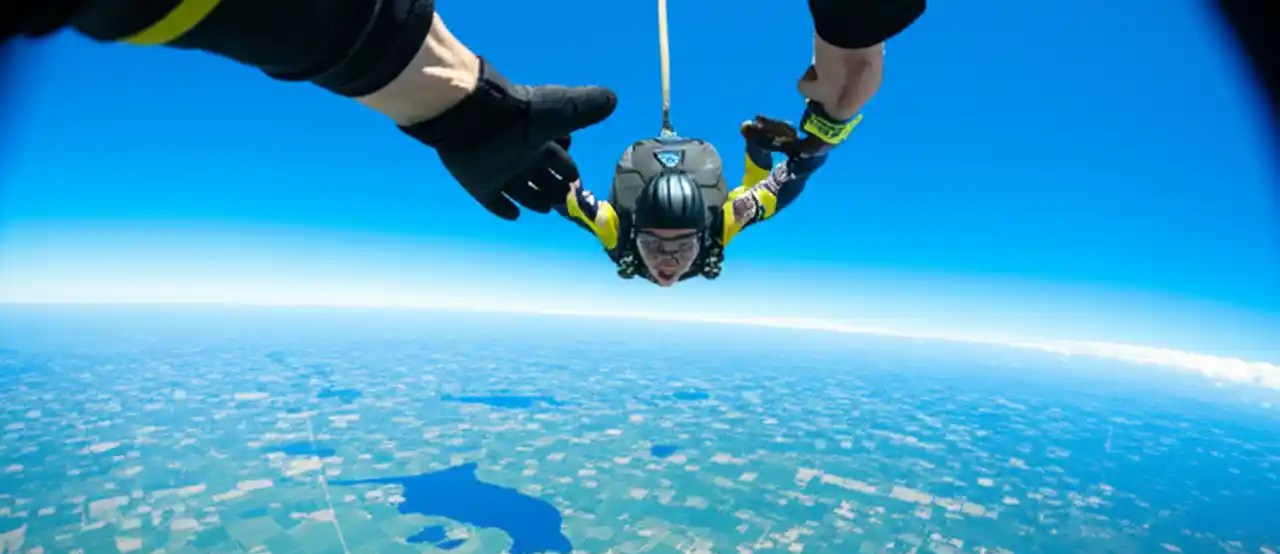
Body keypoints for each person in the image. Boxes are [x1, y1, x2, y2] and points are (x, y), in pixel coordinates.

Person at [2, 0, 927, 219]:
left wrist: (463, 110)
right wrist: (809, 135)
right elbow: (792, 182)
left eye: (670, 247)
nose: (675, 257)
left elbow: (578, 202)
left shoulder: (641, 234)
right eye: (680, 244)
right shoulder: (715, 226)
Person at [555, 115, 839, 285]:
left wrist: (545, 155)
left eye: (681, 246)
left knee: (749, 199)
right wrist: (808, 157)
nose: (668, 261)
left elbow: (568, 199)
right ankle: (757, 147)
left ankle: (758, 148)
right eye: (654, 246)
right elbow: (774, 193)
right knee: (750, 201)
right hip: (690, 168)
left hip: (662, 167)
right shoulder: (716, 232)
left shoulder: (616, 233)